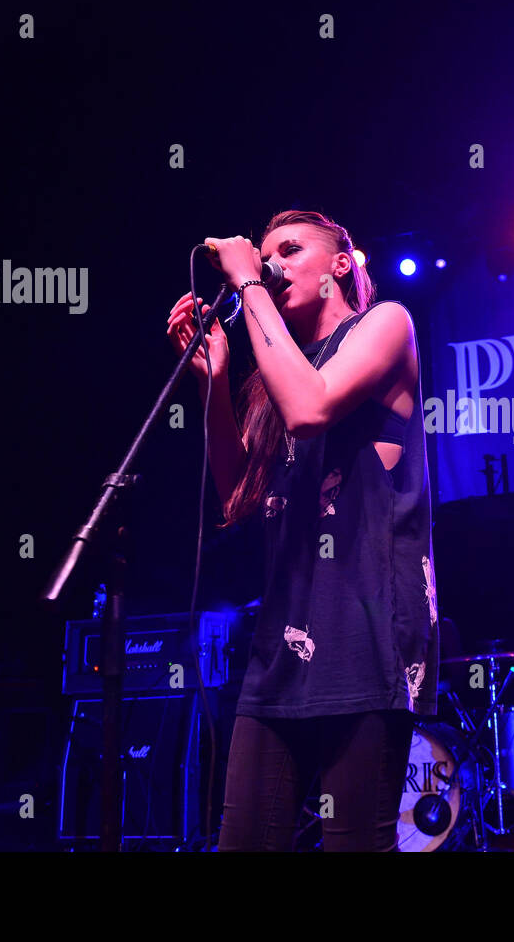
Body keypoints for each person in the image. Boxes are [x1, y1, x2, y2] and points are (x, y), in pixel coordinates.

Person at [166, 210, 439, 851]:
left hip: (367, 630)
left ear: (341, 265)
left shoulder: (385, 324)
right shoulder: (272, 375)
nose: (272, 263)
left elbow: (312, 408)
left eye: (290, 250)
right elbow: (237, 498)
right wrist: (214, 388)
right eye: (265, 255)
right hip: (282, 640)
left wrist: (248, 286)